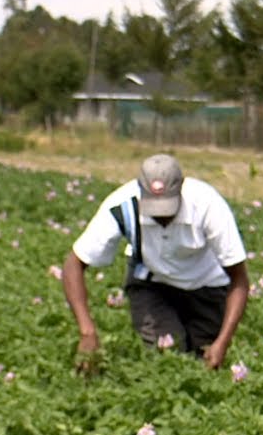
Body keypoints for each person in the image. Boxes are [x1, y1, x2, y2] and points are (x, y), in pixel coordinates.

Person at [62, 153, 250, 370]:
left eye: (168, 209)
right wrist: (87, 332)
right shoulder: (122, 206)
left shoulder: (207, 206)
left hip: (207, 286)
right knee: (168, 359)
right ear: (141, 193)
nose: (161, 218)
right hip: (153, 285)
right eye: (154, 209)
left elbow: (240, 280)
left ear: (181, 190)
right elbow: (73, 264)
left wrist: (223, 343)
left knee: (205, 362)